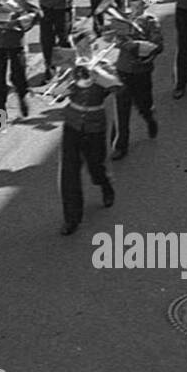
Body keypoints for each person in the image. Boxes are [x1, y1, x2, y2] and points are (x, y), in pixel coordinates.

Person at [57, 35, 121, 236]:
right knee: (69, 174)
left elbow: (118, 88)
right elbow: (58, 94)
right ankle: (72, 218)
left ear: (92, 47)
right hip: (72, 125)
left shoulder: (104, 66)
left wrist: (96, 72)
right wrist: (67, 80)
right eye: (79, 47)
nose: (82, 50)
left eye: (85, 46)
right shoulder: (70, 67)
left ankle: (105, 185)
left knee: (96, 167)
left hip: (94, 126)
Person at [108, 0, 162, 159]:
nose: (135, 5)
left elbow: (158, 45)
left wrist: (143, 47)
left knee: (143, 105)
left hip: (141, 71)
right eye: (132, 1)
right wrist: (124, 42)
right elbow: (117, 39)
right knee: (121, 110)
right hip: (123, 70)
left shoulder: (150, 21)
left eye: (139, 1)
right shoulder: (123, 20)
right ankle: (120, 145)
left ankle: (149, 119)